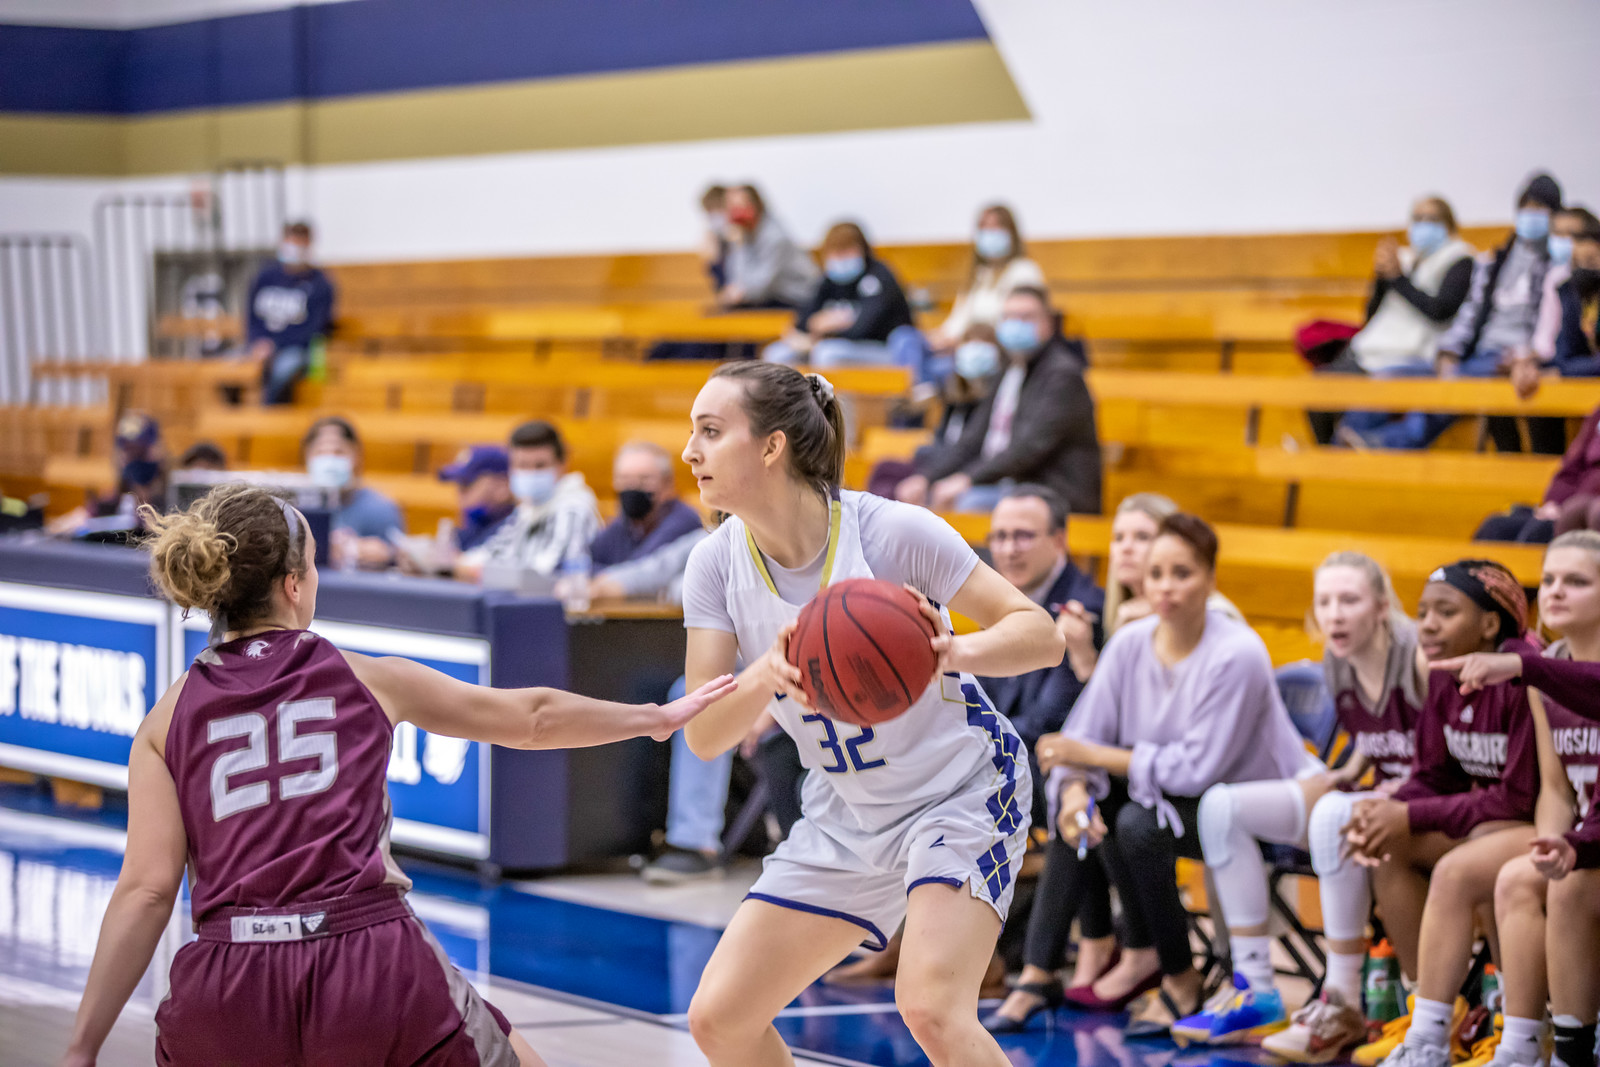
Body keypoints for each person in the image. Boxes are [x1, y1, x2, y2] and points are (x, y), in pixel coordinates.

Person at [58, 483, 735, 1067]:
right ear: (294, 584)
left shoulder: (166, 716)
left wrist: (82, 1045)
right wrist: (653, 715)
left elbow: (146, 890)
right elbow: (532, 717)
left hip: (229, 976)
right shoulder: (363, 675)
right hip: (365, 959)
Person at [677, 361, 1065, 1067]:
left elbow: (1042, 634)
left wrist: (949, 650)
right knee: (719, 1018)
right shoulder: (713, 564)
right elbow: (703, 734)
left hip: (961, 790)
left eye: (710, 430)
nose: (690, 451)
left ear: (771, 446)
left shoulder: (890, 534)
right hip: (848, 809)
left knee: (931, 1009)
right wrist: (766, 673)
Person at [1041, 514, 1319, 1034]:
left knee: (1139, 827)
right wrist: (1076, 791)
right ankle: (1082, 966)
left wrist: (1090, 757)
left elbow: (1194, 770)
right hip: (1189, 803)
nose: (1166, 587)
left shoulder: (1237, 651)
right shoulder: (1129, 643)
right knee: (1100, 810)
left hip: (1261, 804)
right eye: (1156, 573)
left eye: (1182, 573)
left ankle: (1178, 974)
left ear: (1211, 578)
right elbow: (1080, 738)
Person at [1182, 553, 1424, 1054]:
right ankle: (1254, 988)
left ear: (1381, 607)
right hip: (1383, 795)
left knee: (1334, 815)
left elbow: (1440, 744)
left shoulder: (1416, 659)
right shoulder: (1338, 661)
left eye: (1349, 600)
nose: (1334, 613)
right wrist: (1350, 772)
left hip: (1426, 804)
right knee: (1221, 807)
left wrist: (1393, 788)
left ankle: (1342, 1000)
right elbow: (1376, 733)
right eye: (1325, 601)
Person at [1338, 561, 1537, 1067]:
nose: (1425, 624)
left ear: (1490, 624)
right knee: (1386, 844)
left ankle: (1518, 1030)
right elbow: (1434, 775)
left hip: (1536, 827)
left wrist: (1411, 813)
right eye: (1423, 612)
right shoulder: (1448, 673)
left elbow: (1518, 797)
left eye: (1445, 613)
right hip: (1487, 822)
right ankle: (1431, 1018)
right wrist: (1389, 810)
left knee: (1474, 854)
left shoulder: (1524, 674)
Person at [1476, 532, 1600, 1067]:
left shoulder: (1539, 669)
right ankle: (1521, 1043)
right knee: (1517, 876)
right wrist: (1553, 841)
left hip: (1596, 842)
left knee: (1569, 887)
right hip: (1588, 833)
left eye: (1577, 581)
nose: (1555, 591)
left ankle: (1573, 1048)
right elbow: (1555, 788)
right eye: (1548, 579)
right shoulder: (1546, 667)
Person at [1382, 174, 1563, 453]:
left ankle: (1386, 445)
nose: (1531, 215)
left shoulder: (1556, 263)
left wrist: (1528, 355)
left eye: (1540, 208)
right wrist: (1449, 350)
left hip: (1514, 357)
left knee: (1450, 387)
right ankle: (1346, 448)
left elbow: (1551, 324)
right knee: (1389, 377)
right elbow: (1471, 311)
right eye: (1526, 207)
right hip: (1479, 354)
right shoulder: (1496, 260)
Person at [895, 286, 1101, 515]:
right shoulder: (1008, 369)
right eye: (1009, 317)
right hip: (1007, 483)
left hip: (1052, 492)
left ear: (1048, 324)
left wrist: (966, 479)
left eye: (1026, 317)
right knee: (923, 494)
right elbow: (972, 440)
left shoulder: (1062, 375)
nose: (1016, 324)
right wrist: (926, 477)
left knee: (967, 503)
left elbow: (1028, 449)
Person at [1311, 197, 1475, 446]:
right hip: (1372, 349)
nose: (1423, 225)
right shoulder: (1405, 257)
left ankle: (1336, 461)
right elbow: (1371, 315)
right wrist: (1381, 277)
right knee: (1317, 391)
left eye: (1431, 219)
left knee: (1359, 407)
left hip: (1413, 355)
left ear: (1449, 225)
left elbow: (1440, 310)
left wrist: (1398, 278)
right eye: (1417, 219)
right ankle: (1323, 460)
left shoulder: (1461, 260)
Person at [456, 420, 601, 582]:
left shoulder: (574, 511)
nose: (531, 473)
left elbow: (546, 575)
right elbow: (492, 553)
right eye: (523, 465)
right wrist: (457, 563)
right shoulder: (528, 509)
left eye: (540, 466)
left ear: (562, 465)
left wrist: (476, 571)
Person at [914, 205, 1046, 381]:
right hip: (961, 345)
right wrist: (941, 337)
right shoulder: (979, 274)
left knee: (940, 369)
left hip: (993, 350)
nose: (990, 234)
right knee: (906, 339)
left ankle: (920, 395)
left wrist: (964, 340)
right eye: (984, 228)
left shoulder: (1024, 271)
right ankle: (916, 392)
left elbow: (1017, 325)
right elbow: (958, 319)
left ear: (1011, 233)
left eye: (996, 227)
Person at [762, 222, 918, 369]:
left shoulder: (879, 277)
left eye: (847, 250)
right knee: (776, 353)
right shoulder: (830, 280)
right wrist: (819, 326)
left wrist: (831, 326)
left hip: (882, 349)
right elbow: (805, 321)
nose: (841, 258)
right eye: (835, 252)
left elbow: (863, 328)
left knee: (827, 354)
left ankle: (834, 398)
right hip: (825, 344)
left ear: (862, 250)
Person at [586, 440, 706, 603]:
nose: (633, 487)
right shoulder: (623, 524)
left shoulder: (684, 521)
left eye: (644, 480)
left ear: (667, 485)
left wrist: (603, 579)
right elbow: (586, 564)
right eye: (625, 480)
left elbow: (646, 570)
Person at [1474, 401, 1600, 544]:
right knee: (1495, 527)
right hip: (1566, 510)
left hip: (1588, 516)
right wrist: (1555, 503)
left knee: (1539, 532)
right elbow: (1570, 468)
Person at [247, 221, 336, 406]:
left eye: (300, 245)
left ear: (309, 246)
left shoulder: (320, 284)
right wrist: (257, 341)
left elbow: (315, 328)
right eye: (291, 243)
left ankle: (267, 416)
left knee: (283, 368)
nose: (294, 250)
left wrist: (275, 345)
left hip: (297, 348)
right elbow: (251, 316)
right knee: (227, 369)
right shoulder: (265, 277)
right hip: (260, 344)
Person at [301, 416, 403, 571]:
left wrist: (383, 554)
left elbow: (398, 563)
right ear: (307, 458)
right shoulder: (295, 509)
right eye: (320, 452)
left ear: (356, 456)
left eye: (338, 452)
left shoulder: (381, 509)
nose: (329, 460)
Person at [48, 412, 170, 536]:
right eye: (127, 449)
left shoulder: (172, 497)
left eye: (139, 450)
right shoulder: (116, 497)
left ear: (155, 449)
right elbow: (83, 518)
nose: (131, 457)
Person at [718, 185, 820, 310]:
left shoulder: (775, 237)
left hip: (797, 298)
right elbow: (737, 280)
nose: (736, 211)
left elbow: (762, 286)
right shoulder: (742, 234)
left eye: (741, 205)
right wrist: (738, 246)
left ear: (756, 205)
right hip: (772, 297)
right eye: (732, 207)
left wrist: (739, 292)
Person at [437, 445, 516, 553]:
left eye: (466, 485)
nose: (459, 494)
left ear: (502, 486)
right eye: (457, 486)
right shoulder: (472, 530)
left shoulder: (514, 535)